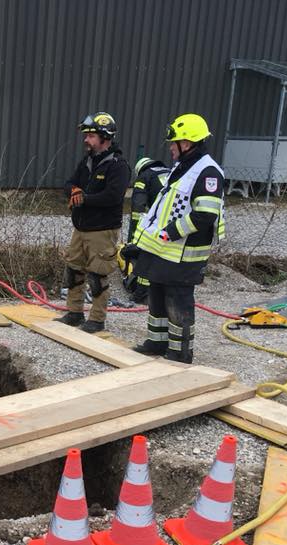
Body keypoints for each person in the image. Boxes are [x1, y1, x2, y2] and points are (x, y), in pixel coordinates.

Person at [130, 113, 225, 364]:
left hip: (184, 252)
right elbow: (162, 208)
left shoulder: (208, 173)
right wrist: (139, 243)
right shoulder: (183, 168)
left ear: (189, 143)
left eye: (175, 142)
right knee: (158, 295)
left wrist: (172, 232)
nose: (171, 147)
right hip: (165, 249)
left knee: (178, 301)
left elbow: (205, 214)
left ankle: (180, 352)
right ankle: (157, 342)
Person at [60, 111, 130, 333]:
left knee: (97, 274)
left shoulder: (118, 166)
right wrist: (73, 191)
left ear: (104, 137)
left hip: (102, 229)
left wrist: (84, 199)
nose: (86, 140)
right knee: (73, 269)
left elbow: (113, 196)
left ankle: (97, 319)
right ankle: (74, 312)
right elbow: (69, 182)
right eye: (86, 135)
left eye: (90, 136)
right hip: (80, 227)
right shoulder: (87, 161)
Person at [119, 156, 169, 303]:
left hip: (158, 223)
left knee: (146, 255)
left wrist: (135, 238)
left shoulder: (144, 177)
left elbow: (138, 208)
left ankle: (141, 295)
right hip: (174, 224)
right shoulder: (171, 172)